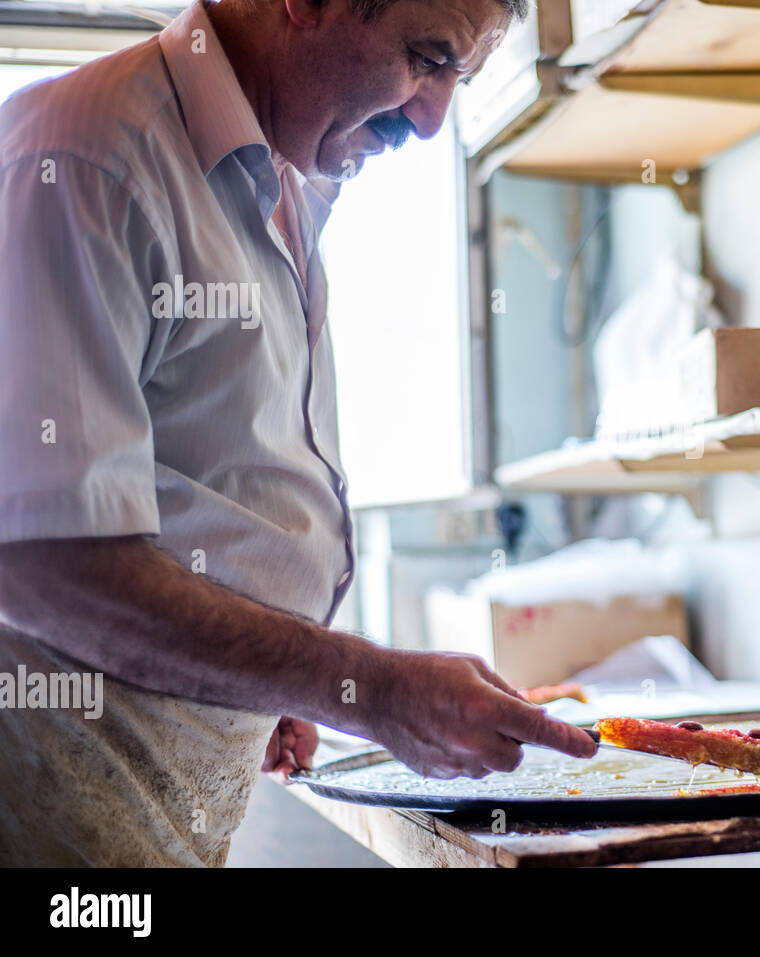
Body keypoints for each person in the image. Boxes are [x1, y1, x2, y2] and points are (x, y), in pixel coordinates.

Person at [0, 0, 595, 867]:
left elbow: (209, 487)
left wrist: (264, 675)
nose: (433, 121)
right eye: (426, 58)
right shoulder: (84, 154)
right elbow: (41, 565)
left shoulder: (279, 177)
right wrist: (367, 688)